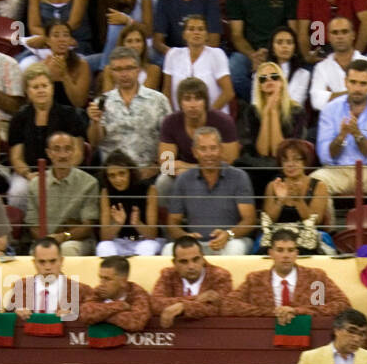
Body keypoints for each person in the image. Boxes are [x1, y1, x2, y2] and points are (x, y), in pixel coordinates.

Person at [311, 60, 367, 197]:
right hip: (337, 170)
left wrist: (357, 134)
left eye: (363, 84)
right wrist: (341, 137)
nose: (357, 88)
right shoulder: (329, 109)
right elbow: (324, 156)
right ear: (345, 82)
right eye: (353, 82)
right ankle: (328, 220)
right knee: (316, 181)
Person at [223, 228, 352, 319]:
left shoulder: (315, 278)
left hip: (310, 337)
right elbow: (229, 305)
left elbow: (342, 305)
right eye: (280, 250)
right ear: (270, 253)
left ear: (297, 253)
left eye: (290, 250)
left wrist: (298, 311)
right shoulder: (255, 279)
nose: (285, 256)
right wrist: (273, 312)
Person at [166, 127, 257, 255]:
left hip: (231, 241)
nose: (209, 154)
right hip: (196, 245)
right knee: (168, 250)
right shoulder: (183, 180)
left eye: (213, 148)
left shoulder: (239, 177)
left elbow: (250, 220)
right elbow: (173, 222)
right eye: (203, 149)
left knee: (234, 248)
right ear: (194, 152)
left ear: (221, 150)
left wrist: (228, 234)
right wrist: (186, 238)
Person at [7, 63, 85, 211]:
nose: (41, 90)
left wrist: (56, 175)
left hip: (64, 172)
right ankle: (27, 231)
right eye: (35, 87)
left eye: (44, 85)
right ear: (27, 92)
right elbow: (16, 157)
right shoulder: (19, 118)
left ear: (52, 88)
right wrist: (28, 175)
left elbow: (78, 153)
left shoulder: (69, 115)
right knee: (17, 194)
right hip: (30, 174)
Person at [89, 47, 171, 184]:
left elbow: (170, 141)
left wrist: (158, 167)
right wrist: (95, 122)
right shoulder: (102, 102)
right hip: (113, 176)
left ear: (138, 69)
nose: (124, 74)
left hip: (149, 174)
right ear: (111, 72)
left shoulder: (159, 101)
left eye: (129, 68)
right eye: (118, 69)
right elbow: (94, 143)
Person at [162, 75, 241, 198]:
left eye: (198, 99)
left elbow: (230, 162)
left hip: (217, 175)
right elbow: (166, 166)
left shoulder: (224, 121)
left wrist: (189, 168)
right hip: (180, 177)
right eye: (187, 99)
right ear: (180, 103)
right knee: (163, 182)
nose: (193, 105)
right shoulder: (170, 122)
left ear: (206, 102)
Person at [25, 131, 99, 255]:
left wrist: (64, 236)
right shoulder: (35, 184)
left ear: (74, 152)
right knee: (39, 252)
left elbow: (88, 226)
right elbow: (33, 226)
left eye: (67, 149)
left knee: (67, 249)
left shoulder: (89, 183)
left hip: (77, 240)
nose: (62, 155)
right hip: (45, 240)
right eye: (56, 149)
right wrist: (49, 241)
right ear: (49, 153)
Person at [259, 139, 335, 254]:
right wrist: (280, 201)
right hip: (278, 235)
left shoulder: (319, 186)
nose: (290, 164)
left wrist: (299, 201)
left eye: (296, 159)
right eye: (285, 160)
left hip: (308, 235)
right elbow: (269, 220)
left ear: (305, 161)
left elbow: (315, 221)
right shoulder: (273, 185)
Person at [149, 234, 234, 326]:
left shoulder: (220, 276)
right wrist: (196, 299)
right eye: (184, 261)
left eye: (196, 259)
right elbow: (155, 304)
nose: (191, 266)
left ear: (203, 258)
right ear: (174, 263)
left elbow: (220, 309)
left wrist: (184, 306)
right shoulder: (168, 275)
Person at [227, 0, 298, 100]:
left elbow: (293, 31)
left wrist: (273, 53)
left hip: (279, 49)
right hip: (249, 52)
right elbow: (237, 36)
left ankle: (279, 103)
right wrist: (254, 56)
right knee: (234, 71)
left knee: (301, 70)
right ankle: (257, 104)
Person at [309, 16, 367, 114]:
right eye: (335, 32)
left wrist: (331, 95)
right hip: (331, 122)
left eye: (344, 32)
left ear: (353, 35)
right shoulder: (321, 67)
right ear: (329, 37)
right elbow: (316, 102)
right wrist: (355, 93)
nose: (340, 37)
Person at [162, 14, 232, 112]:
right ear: (184, 35)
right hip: (180, 117)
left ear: (207, 35)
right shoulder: (172, 54)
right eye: (191, 29)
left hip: (212, 116)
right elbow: (167, 91)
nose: (196, 32)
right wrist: (173, 117)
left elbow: (228, 92)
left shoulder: (217, 54)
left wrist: (207, 116)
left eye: (200, 29)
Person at [98, 151, 162, 256]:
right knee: (103, 247)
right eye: (112, 176)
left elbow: (152, 235)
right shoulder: (106, 193)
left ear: (130, 172)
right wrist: (118, 224)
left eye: (122, 173)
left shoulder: (149, 189)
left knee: (146, 249)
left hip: (146, 240)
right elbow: (104, 237)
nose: (117, 179)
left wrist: (137, 223)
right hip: (121, 241)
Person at [11, 236, 88, 320]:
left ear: (61, 261)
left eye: (53, 261)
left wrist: (76, 316)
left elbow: (93, 316)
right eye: (42, 262)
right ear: (34, 262)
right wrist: (15, 313)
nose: (47, 267)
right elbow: (5, 318)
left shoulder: (81, 291)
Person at [24, 21, 91, 110]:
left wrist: (65, 75)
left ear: (70, 40)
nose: (61, 39)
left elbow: (79, 103)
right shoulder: (42, 67)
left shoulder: (82, 65)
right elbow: (32, 101)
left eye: (66, 35)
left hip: (73, 115)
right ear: (47, 40)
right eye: (56, 35)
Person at [80, 255, 153, 332]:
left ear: (123, 281)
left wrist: (98, 316)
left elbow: (136, 322)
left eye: (107, 279)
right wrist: (120, 305)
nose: (102, 283)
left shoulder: (137, 293)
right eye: (100, 278)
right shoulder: (99, 291)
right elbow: (85, 313)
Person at [297, 308, 367, 364]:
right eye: (351, 331)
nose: (357, 339)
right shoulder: (310, 358)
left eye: (362, 334)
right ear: (337, 330)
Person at [296, 0, 367, 59]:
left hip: (352, 48)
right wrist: (307, 56)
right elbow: (302, 30)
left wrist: (355, 54)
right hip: (321, 52)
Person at [95, 22, 164, 95]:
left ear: (144, 44)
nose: (134, 46)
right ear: (122, 44)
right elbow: (107, 98)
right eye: (129, 41)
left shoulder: (153, 70)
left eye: (138, 41)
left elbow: (146, 98)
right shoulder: (109, 70)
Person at [153, 0, 221, 58]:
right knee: (152, 54)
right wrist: (176, 56)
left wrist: (194, 57)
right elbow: (158, 42)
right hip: (173, 52)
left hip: (204, 53)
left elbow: (213, 42)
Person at [27, 0, 93, 55]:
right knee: (26, 64)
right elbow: (34, 27)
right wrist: (49, 39)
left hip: (74, 43)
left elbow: (74, 23)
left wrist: (55, 38)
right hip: (44, 43)